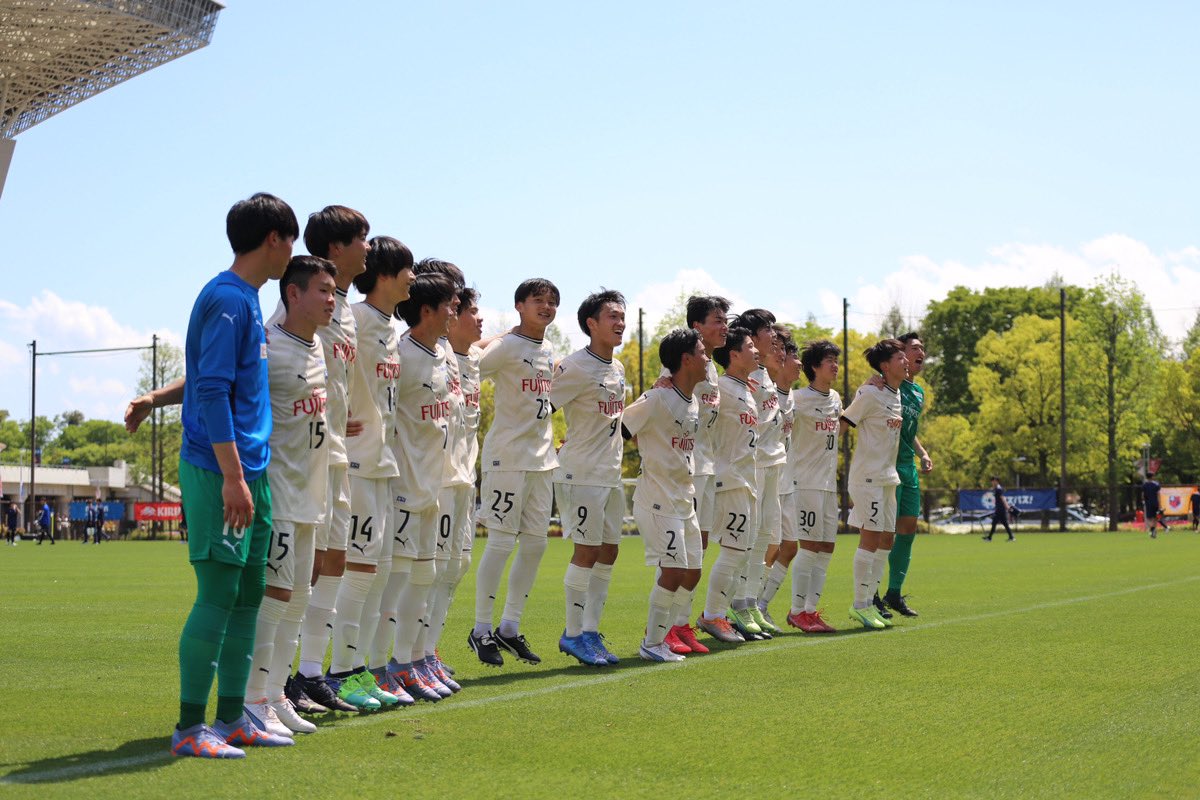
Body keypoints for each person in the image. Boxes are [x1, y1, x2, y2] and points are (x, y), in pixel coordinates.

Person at [170, 192, 299, 759]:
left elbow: (214, 378)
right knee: (220, 593)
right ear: (273, 238)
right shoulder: (226, 298)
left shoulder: (245, 300)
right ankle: (190, 727)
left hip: (253, 469)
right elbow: (212, 388)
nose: (291, 253)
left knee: (248, 596)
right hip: (220, 469)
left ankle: (233, 719)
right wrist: (231, 476)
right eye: (290, 240)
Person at [242, 255, 336, 738]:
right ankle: (252, 699)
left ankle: (275, 693)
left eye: (333, 290)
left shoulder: (318, 345)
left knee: (298, 597)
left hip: (311, 494)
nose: (331, 299)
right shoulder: (266, 343)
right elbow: (211, 379)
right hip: (277, 492)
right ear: (292, 294)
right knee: (275, 597)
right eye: (322, 289)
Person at [325, 235, 412, 711]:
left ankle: (354, 669)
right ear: (385, 273)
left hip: (383, 463)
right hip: (355, 460)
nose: (413, 278)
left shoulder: (389, 327)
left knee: (375, 572)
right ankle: (337, 673)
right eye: (407, 269)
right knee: (356, 572)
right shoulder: (353, 318)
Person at [468, 278, 560, 667]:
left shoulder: (551, 349)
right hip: (506, 457)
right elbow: (467, 358)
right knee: (503, 543)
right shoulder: (507, 346)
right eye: (538, 300)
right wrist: (500, 336)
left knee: (536, 544)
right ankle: (479, 629)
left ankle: (509, 627)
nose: (547, 307)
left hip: (542, 461)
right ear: (520, 305)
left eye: (552, 302)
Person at [377, 272, 460, 702]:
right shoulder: (402, 353)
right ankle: (379, 667)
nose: (455, 312)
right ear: (427, 310)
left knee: (425, 574)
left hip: (435, 484)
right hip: (405, 484)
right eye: (449, 304)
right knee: (398, 578)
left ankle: (409, 662)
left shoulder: (442, 353)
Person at [621, 329, 707, 662]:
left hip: (684, 499)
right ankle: (653, 642)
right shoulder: (656, 397)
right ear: (685, 359)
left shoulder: (693, 400)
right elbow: (621, 429)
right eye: (701, 352)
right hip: (656, 498)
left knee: (691, 571)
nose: (707, 358)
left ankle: (665, 633)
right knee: (672, 571)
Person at [552, 289, 627, 667]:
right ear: (591, 323)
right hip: (580, 472)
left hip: (609, 474)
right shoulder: (573, 366)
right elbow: (541, 407)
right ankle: (572, 633)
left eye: (622, 316)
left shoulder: (619, 367)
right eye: (612, 316)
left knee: (609, 550)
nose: (620, 322)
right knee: (586, 552)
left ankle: (591, 631)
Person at [425, 281, 482, 683]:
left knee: (457, 565)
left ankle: (428, 651)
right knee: (430, 569)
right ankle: (413, 654)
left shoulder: (474, 358)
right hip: (439, 478)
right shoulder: (432, 352)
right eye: (468, 310)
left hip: (466, 477)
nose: (478, 318)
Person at [696, 327, 759, 645]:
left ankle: (718, 614)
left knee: (743, 551)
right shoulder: (721, 387)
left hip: (747, 481)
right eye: (750, 346)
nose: (757, 351)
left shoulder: (747, 389)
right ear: (734, 354)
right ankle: (711, 616)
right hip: (728, 478)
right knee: (734, 550)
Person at [842, 338, 907, 630]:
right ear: (885, 366)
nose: (906, 362)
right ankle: (860, 605)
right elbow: (842, 423)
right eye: (900, 358)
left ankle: (871, 601)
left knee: (887, 540)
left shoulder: (896, 394)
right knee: (870, 538)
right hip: (866, 477)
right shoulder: (870, 392)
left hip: (887, 477)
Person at [781, 339, 842, 633]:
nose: (835, 365)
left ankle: (811, 610)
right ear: (814, 366)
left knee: (827, 547)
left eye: (836, 360)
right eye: (829, 360)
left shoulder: (836, 399)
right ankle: (796, 610)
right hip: (805, 483)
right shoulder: (798, 398)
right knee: (809, 546)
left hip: (829, 485)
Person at [731, 310, 784, 639]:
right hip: (752, 467)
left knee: (766, 537)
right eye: (767, 330)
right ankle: (737, 605)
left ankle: (750, 602)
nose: (773, 335)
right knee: (749, 539)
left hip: (774, 464)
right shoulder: (744, 376)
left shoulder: (765, 372)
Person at [882, 332, 932, 618]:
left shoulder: (918, 391)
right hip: (888, 467)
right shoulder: (889, 387)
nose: (920, 352)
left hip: (908, 468)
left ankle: (894, 592)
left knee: (908, 529)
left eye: (922, 348)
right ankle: (870, 595)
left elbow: (909, 431)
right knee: (884, 533)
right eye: (914, 348)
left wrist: (922, 453)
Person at [983, 477, 1015, 542]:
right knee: (1005, 524)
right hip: (1000, 509)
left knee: (994, 523)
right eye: (991, 481)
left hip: (1000, 509)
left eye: (993, 481)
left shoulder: (998, 489)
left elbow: (1002, 498)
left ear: (996, 481)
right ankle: (1011, 537)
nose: (992, 482)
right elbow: (1000, 492)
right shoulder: (998, 488)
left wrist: (1007, 507)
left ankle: (989, 538)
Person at [1142, 473, 1163, 539]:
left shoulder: (1144, 485)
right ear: (1152, 477)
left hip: (1148, 503)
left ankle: (1152, 531)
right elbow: (1158, 495)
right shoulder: (1156, 485)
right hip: (1155, 503)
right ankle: (1153, 531)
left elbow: (1142, 495)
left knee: (1150, 519)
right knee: (1155, 518)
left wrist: (1144, 501)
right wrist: (1160, 504)